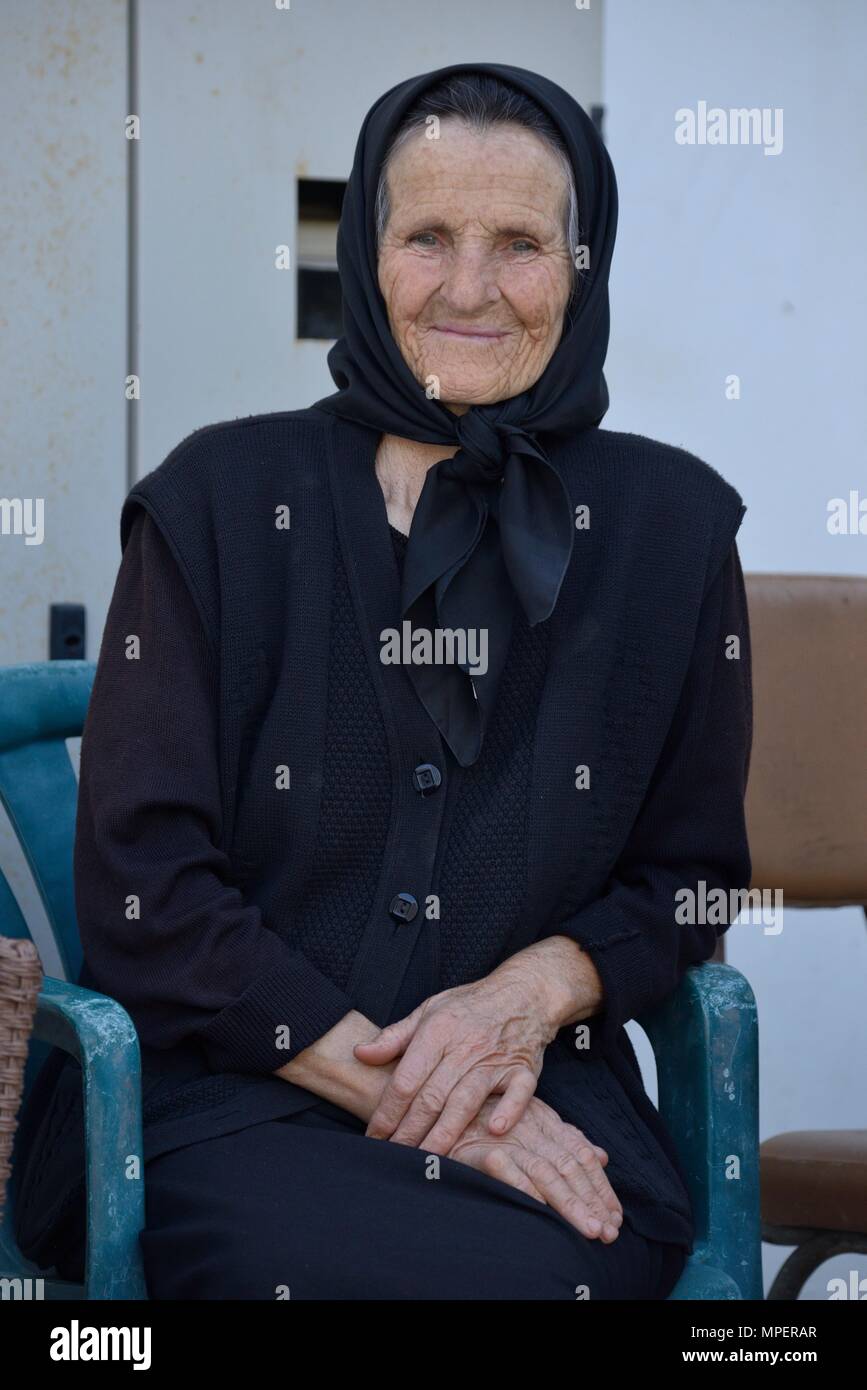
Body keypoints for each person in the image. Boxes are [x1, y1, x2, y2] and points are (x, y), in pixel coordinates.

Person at [14, 62, 752, 1301]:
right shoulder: (217, 504)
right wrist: (414, 1091)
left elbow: (690, 883)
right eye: (428, 238)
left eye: (520, 241)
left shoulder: (673, 527)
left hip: (541, 1101)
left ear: (583, 262)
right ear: (368, 252)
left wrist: (528, 994)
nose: (471, 287)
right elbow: (148, 890)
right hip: (235, 1104)